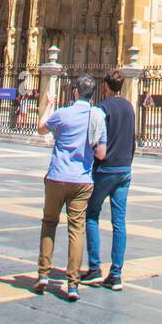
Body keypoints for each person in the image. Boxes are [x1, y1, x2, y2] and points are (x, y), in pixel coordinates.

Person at [35, 74, 107, 301]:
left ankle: (43, 274)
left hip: (57, 177)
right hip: (82, 180)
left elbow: (41, 129)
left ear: (75, 91)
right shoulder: (98, 116)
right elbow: (101, 153)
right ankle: (73, 283)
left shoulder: (63, 113)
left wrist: (49, 105)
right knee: (77, 230)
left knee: (49, 223)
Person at [82, 69, 136, 289]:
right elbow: (133, 140)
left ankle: (94, 268)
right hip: (125, 169)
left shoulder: (101, 109)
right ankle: (116, 274)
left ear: (105, 87)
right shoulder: (130, 107)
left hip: (105, 169)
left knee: (92, 214)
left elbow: (96, 144)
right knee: (119, 222)